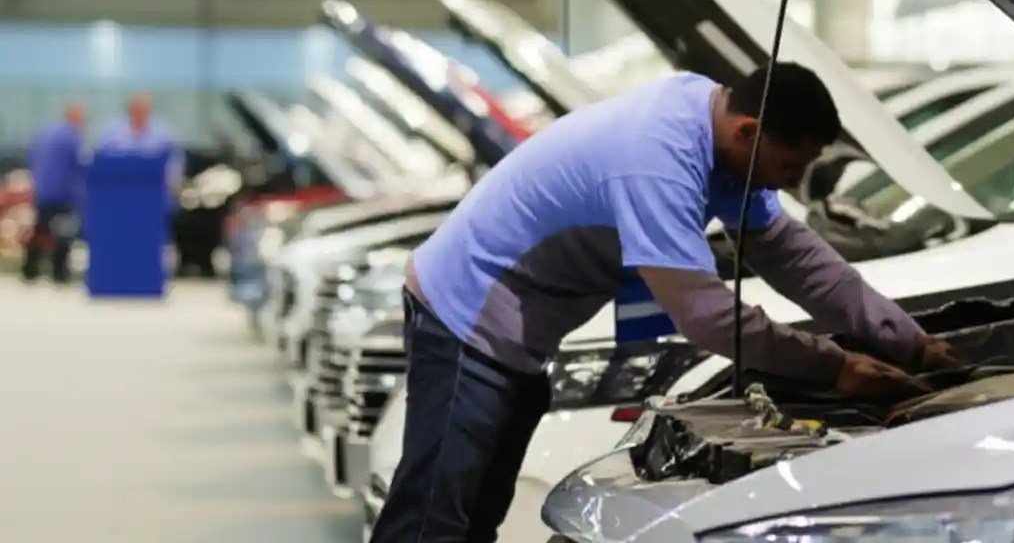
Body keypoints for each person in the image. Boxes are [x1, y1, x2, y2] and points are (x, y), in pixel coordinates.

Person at [371, 65, 961, 543]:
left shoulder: (716, 132)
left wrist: (905, 340)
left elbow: (793, 257)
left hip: (521, 332)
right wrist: (837, 369)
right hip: (465, 315)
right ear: (750, 133)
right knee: (433, 520)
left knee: (475, 516)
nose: (785, 183)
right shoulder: (656, 157)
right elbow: (704, 315)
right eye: (788, 166)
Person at [23, 104, 86, 283]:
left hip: (43, 190)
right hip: (62, 193)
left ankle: (30, 270)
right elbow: (79, 166)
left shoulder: (46, 134)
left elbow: (33, 158)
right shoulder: (72, 137)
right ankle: (59, 272)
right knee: (62, 233)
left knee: (40, 230)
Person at [97, 92, 185, 199]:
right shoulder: (112, 131)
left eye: (143, 110)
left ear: (149, 111)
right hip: (119, 189)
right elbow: (100, 159)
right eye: (136, 109)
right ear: (130, 110)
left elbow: (175, 160)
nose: (139, 114)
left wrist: (170, 184)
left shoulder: (163, 131)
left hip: (154, 190)